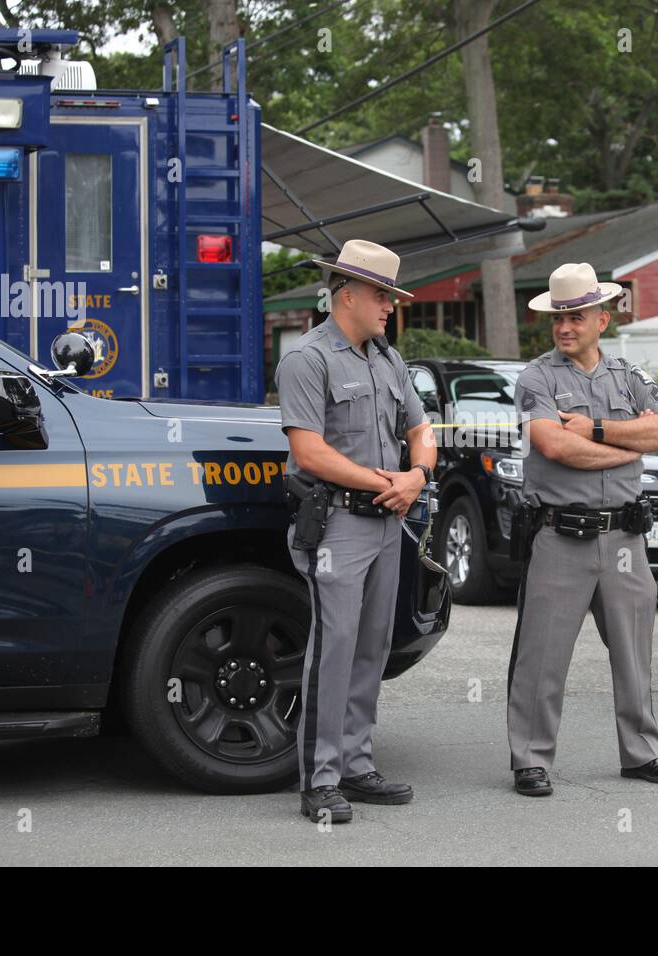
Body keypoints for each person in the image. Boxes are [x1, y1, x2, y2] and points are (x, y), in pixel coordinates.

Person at [507, 261, 658, 797]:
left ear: (601, 320)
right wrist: (629, 447)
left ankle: (642, 752)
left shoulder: (629, 376)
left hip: (626, 538)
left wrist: (601, 430)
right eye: (558, 318)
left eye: (577, 316)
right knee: (542, 656)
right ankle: (531, 760)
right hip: (561, 534)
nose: (565, 327)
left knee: (634, 652)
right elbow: (556, 447)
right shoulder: (537, 377)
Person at [275, 239, 437, 824]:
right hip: (339, 523)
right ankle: (318, 781)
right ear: (347, 295)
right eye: (381, 295)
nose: (390, 306)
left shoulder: (388, 360)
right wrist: (383, 481)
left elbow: (422, 431)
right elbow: (308, 451)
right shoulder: (307, 359)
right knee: (334, 650)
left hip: (387, 520)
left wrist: (416, 475)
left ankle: (356, 765)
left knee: (372, 647)